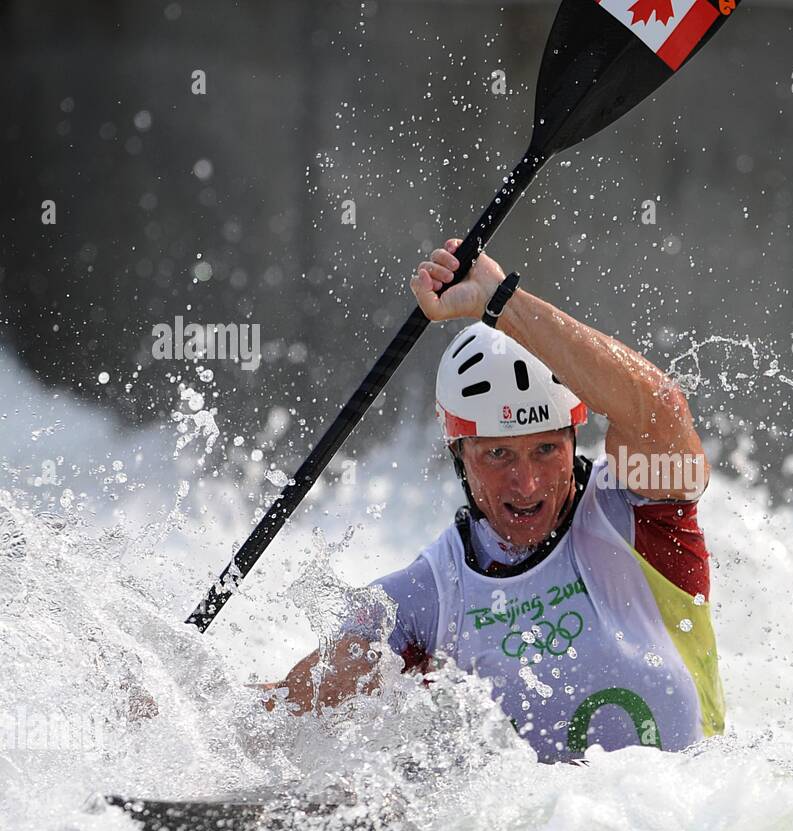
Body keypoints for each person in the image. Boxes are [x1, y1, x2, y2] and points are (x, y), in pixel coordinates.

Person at [263, 239, 724, 763]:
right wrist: (171, 704)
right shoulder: (425, 601)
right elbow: (285, 713)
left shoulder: (643, 519)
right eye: (498, 454)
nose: (525, 484)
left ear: (575, 439)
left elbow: (659, 410)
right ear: (459, 455)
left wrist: (499, 300)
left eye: (546, 449)